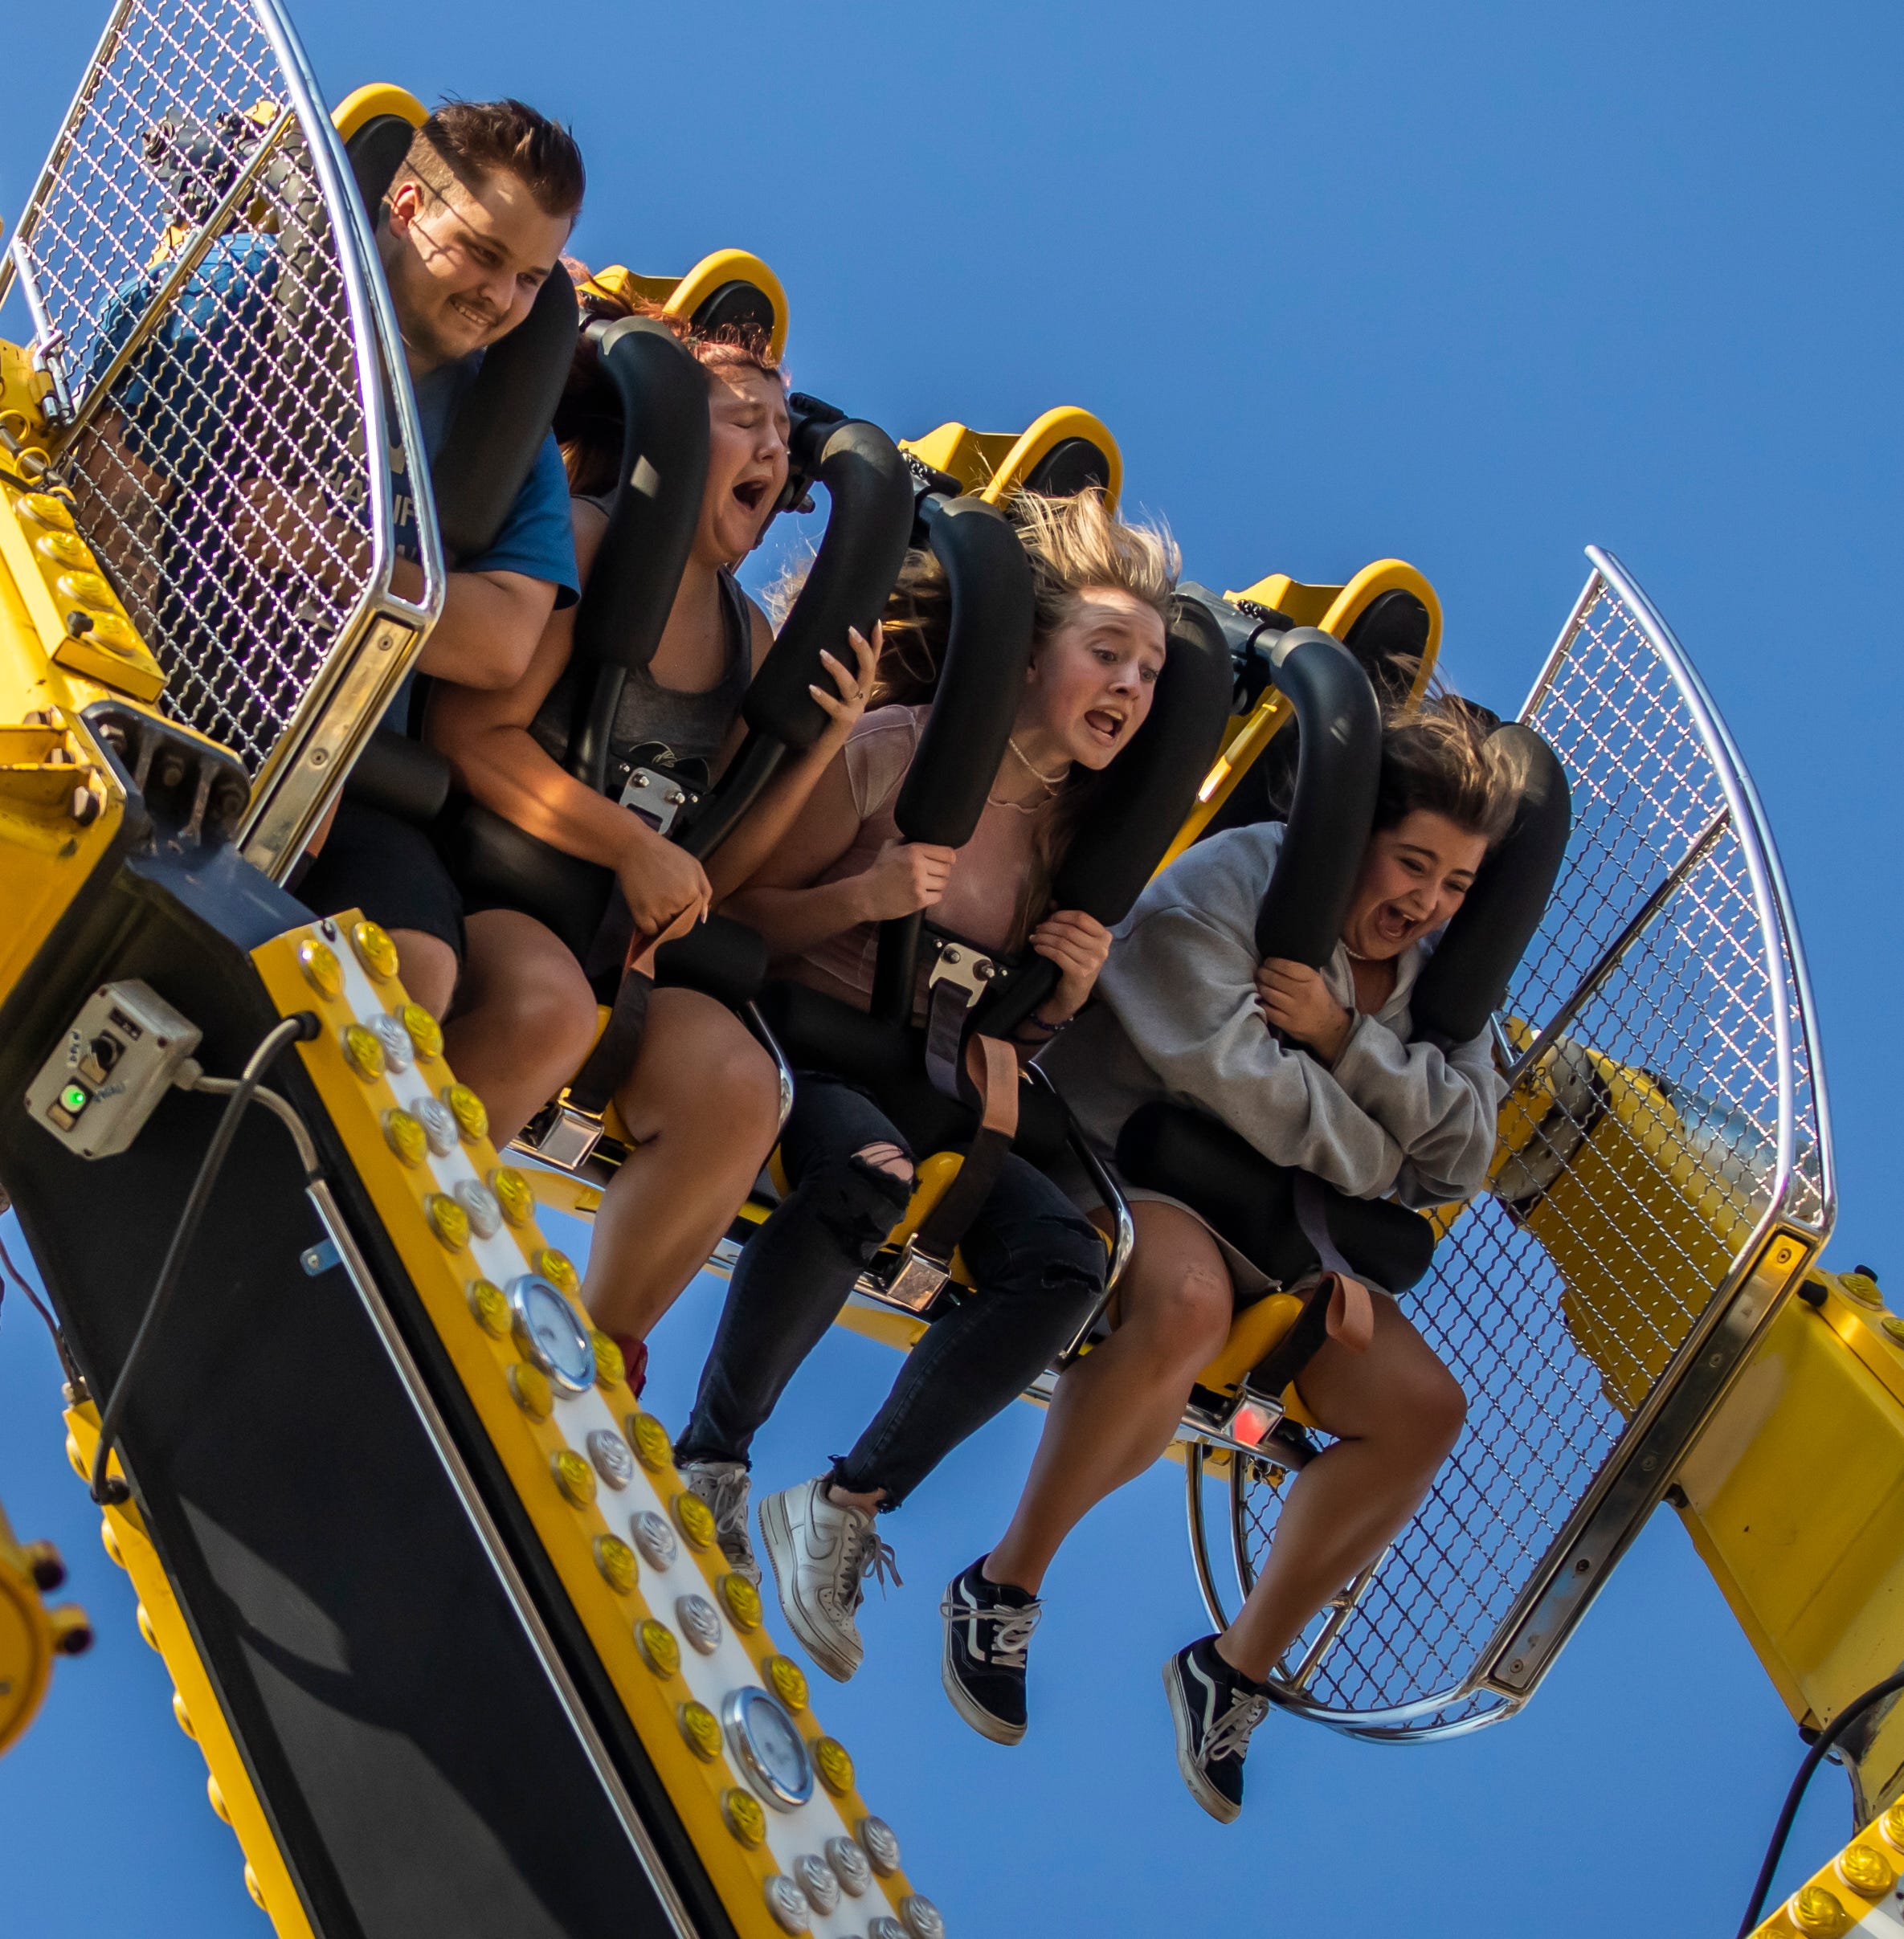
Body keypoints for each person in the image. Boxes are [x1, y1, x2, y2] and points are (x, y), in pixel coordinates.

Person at [950, 702, 1515, 1815]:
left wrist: (1345, 1040)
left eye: (1456, 883)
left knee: (1422, 1410)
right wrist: (1380, 1156)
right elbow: (1229, 1073)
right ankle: (1003, 1584)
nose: (1426, 902)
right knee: (1188, 1307)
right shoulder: (1234, 879)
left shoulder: (1436, 983)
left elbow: (1462, 1154)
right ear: (1354, 834)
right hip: (1130, 1160)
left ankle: (1234, 1667)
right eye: (1412, 864)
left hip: (1286, 1229)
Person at [669, 488, 1177, 1686]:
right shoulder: (897, 749)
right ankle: (710, 1458)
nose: (1129, 686)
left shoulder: (1070, 839)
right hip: (808, 1042)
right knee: (869, 1172)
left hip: (935, 1075)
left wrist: (1060, 991)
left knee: (1066, 1261)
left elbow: (1009, 1031)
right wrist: (865, 895)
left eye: (1151, 672)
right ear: (1030, 654)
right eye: (1107, 652)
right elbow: (735, 911)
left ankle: (847, 1501)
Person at [427, 276, 877, 1396]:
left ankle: (594, 1357)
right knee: (543, 1009)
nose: (773, 449)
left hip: (625, 947)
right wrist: (626, 847)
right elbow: (474, 735)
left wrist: (816, 745)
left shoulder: (748, 631)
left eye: (783, 434)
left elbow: (718, 864)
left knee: (741, 1088)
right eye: (743, 418)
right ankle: (408, 1239)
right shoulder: (590, 538)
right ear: (668, 431)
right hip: (503, 889)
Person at [88, 98, 588, 1017]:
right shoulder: (244, 289)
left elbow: (501, 642)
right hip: (156, 696)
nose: (500, 296)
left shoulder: (508, 432)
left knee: (413, 970)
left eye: (529, 278)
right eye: (482, 252)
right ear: (407, 206)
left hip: (336, 769)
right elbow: (109, 481)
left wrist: (335, 554)